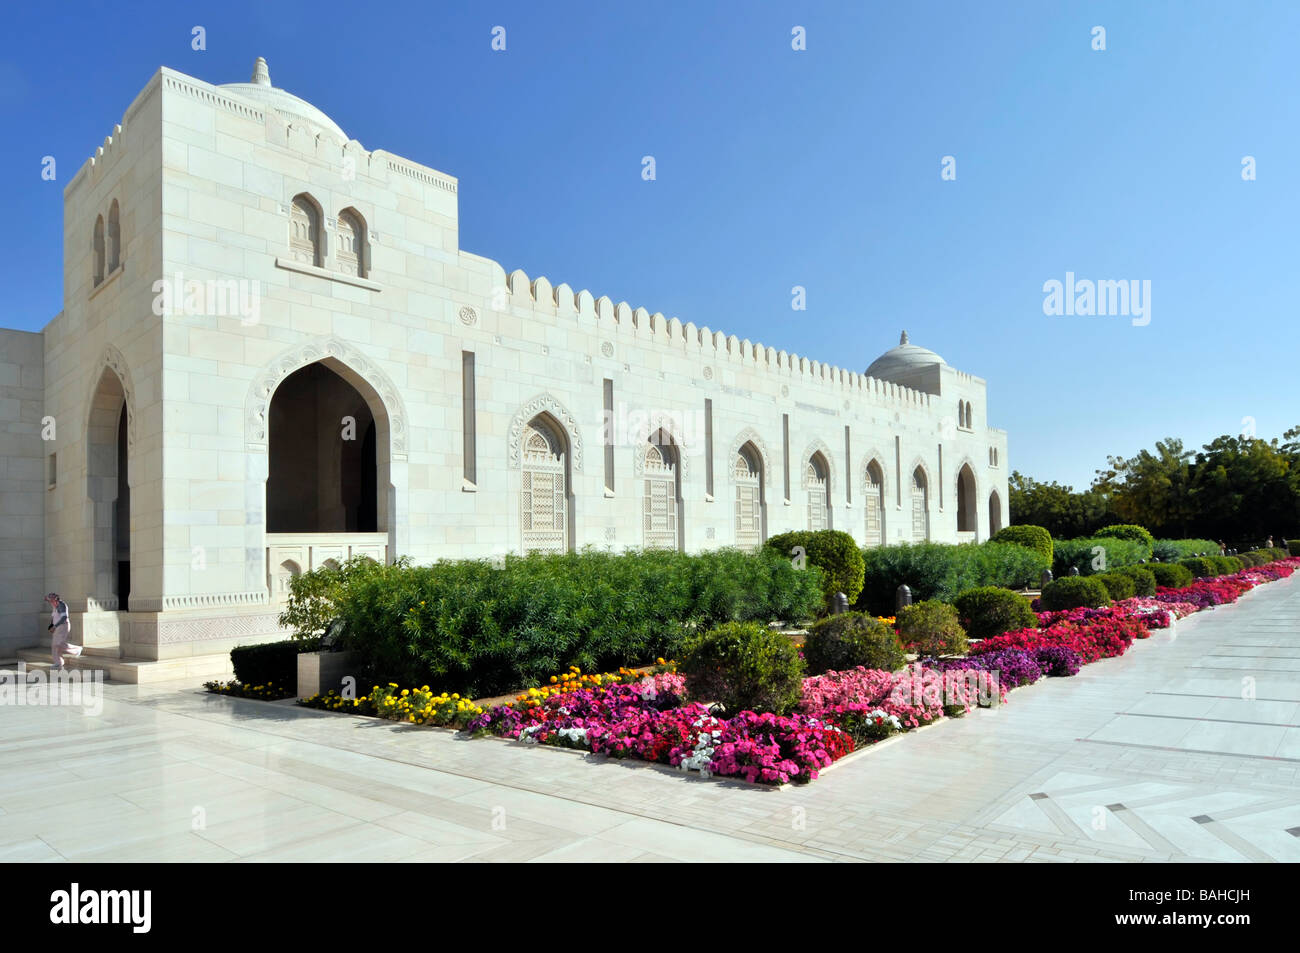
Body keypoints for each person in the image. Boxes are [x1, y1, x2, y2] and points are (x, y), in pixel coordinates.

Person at [46, 592, 83, 671]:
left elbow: (64, 618)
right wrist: (51, 625)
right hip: (57, 627)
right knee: (54, 645)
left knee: (59, 644)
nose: (50, 602)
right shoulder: (54, 606)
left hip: (63, 626)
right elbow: (53, 617)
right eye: (49, 601)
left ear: (55, 599)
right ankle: (58, 662)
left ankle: (77, 649)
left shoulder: (62, 605)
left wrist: (55, 626)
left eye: (50, 600)